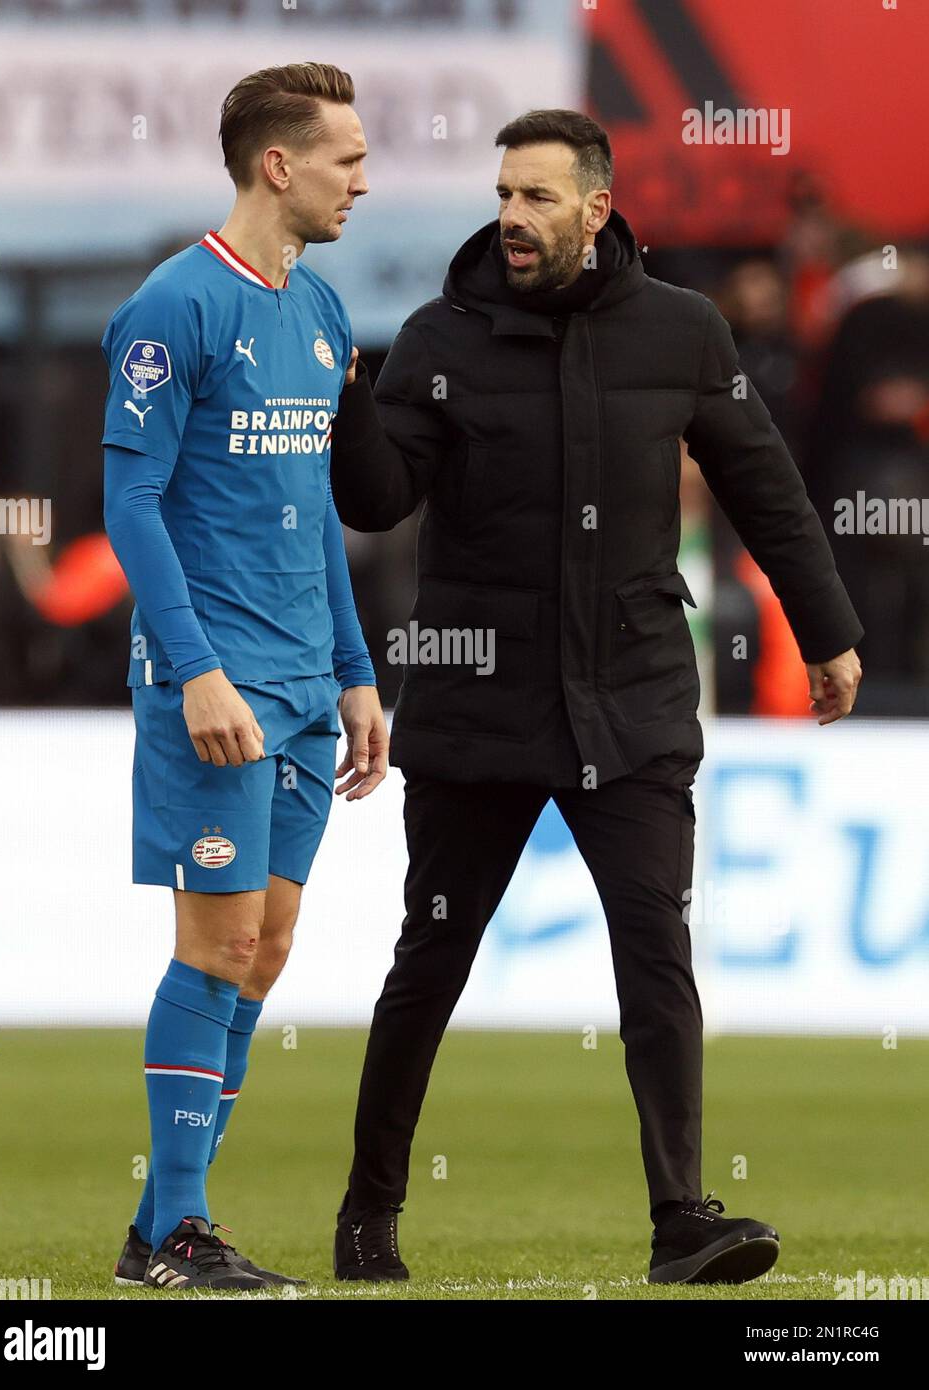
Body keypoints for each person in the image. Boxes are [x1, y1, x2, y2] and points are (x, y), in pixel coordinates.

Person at [329, 109, 863, 1285]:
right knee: (431, 963)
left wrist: (827, 633)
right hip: (478, 707)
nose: (512, 217)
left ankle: (684, 1218)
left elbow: (766, 489)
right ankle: (368, 1214)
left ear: (596, 210)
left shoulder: (682, 330)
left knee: (656, 958)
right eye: (504, 193)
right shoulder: (440, 334)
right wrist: (345, 414)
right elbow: (377, 503)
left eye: (537, 197)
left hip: (630, 698)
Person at [101, 62, 387, 1291]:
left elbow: (313, 506)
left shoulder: (320, 312)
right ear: (280, 164)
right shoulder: (173, 306)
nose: (363, 182)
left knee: (263, 954)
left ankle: (162, 1223)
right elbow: (130, 499)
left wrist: (357, 671)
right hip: (210, 686)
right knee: (214, 950)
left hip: (305, 687)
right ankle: (176, 1231)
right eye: (347, 160)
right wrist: (197, 668)